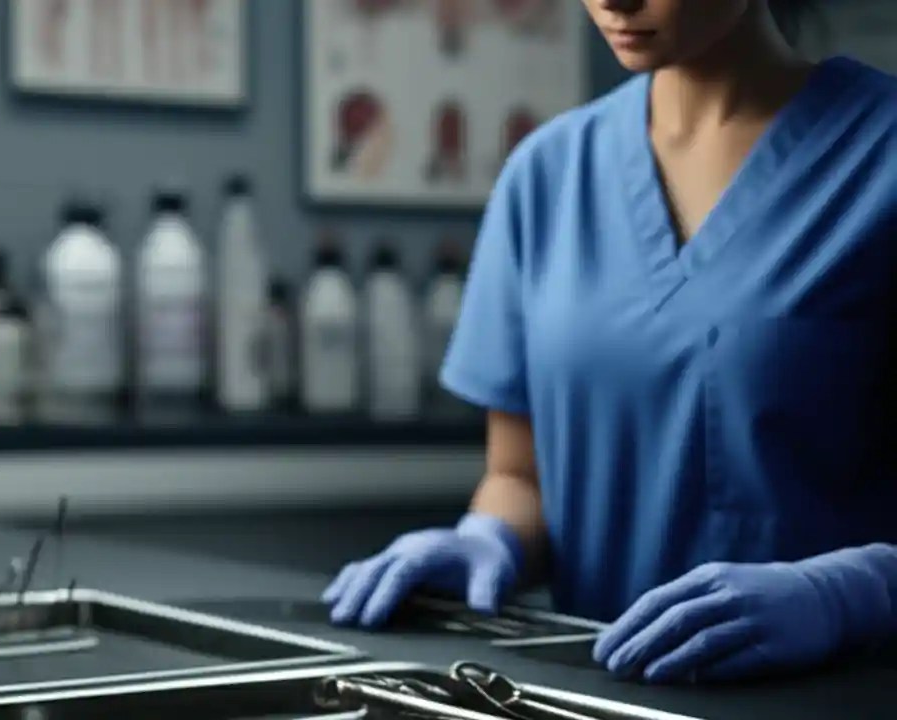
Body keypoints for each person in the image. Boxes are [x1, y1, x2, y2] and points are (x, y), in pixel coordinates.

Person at [323, 0, 897, 684]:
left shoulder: (881, 155)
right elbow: (519, 476)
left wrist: (852, 594)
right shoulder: (546, 174)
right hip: (600, 696)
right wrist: (489, 539)